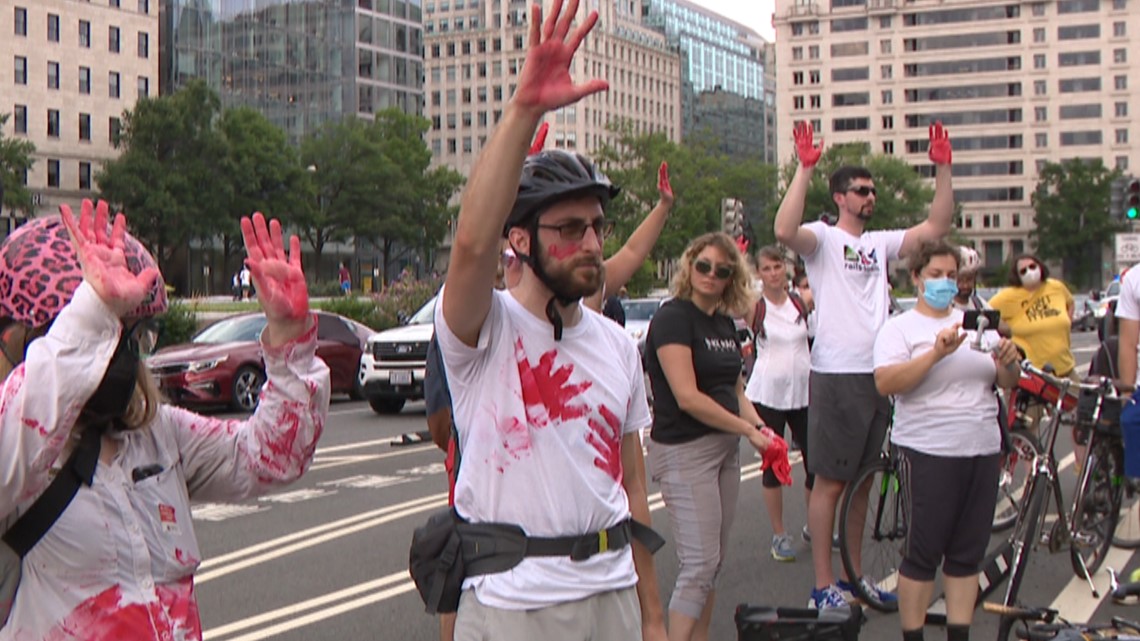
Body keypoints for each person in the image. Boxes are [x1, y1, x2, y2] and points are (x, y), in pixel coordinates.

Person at [434, 1, 667, 638]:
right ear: (521, 241)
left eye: (597, 227)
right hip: (517, 604)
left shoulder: (619, 346)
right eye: (568, 229)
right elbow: (471, 247)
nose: (591, 244)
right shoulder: (484, 334)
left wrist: (651, 613)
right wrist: (523, 110)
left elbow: (633, 488)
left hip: (613, 590)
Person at [0, 201, 329, 640]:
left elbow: (270, 456)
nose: (118, 358)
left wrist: (290, 341)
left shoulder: (159, 437)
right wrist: (91, 314)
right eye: (103, 333)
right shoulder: (19, 462)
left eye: (130, 336)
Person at [773, 119, 955, 609]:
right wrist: (805, 170)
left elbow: (937, 227)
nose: (870, 197)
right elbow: (784, 230)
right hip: (837, 373)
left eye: (872, 191)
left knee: (865, 481)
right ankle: (823, 586)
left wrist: (942, 170)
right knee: (831, 481)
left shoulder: (878, 245)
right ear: (840, 197)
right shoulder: (824, 240)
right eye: (861, 190)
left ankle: (853, 578)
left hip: (880, 373)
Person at [644, 232, 789, 641]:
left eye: (722, 270)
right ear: (689, 266)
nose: (711, 275)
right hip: (685, 450)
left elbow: (735, 389)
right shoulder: (673, 317)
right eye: (703, 265)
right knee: (699, 563)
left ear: (732, 278)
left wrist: (761, 428)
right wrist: (747, 429)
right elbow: (687, 397)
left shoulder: (724, 322)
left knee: (712, 564)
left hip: (724, 448)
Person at [873, 241, 1020, 641]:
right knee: (923, 551)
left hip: (981, 446)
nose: (945, 283)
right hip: (927, 450)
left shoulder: (976, 322)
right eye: (935, 275)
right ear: (916, 277)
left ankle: (959, 633)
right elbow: (887, 382)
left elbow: (1004, 381)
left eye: (951, 276)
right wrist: (935, 354)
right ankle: (914, 634)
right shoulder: (900, 329)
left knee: (967, 552)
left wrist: (1010, 361)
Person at [743, 246, 814, 563]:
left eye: (778, 267)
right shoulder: (754, 307)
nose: (774, 273)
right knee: (774, 463)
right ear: (759, 273)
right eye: (767, 268)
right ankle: (778, 534)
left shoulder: (801, 302)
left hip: (803, 391)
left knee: (817, 464)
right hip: (768, 392)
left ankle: (815, 525)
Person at [987, 254, 1075, 377]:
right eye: (1023, 271)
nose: (1030, 272)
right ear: (1018, 276)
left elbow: (1070, 303)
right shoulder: (1007, 297)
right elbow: (985, 313)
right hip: (1032, 375)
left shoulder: (1056, 287)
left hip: (1066, 368)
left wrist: (1067, 322)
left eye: (1032, 266)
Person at [952, 246, 988, 312]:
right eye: (960, 280)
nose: (965, 285)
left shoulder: (979, 304)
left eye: (969, 279)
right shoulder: (942, 307)